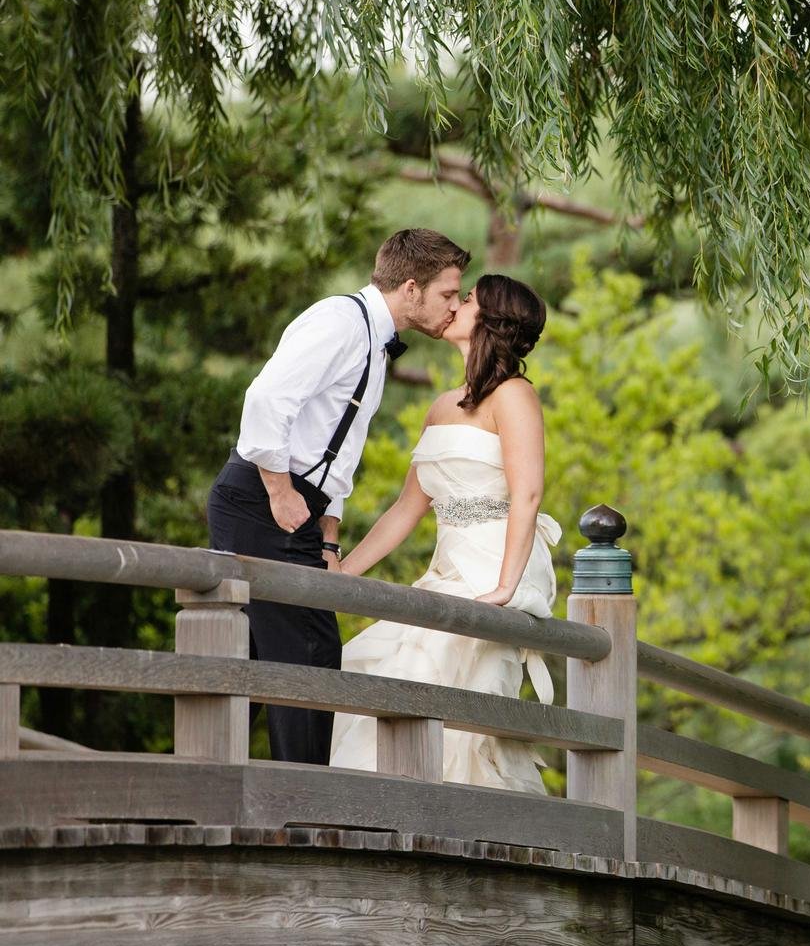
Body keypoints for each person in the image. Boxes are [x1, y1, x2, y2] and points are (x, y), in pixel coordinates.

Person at [206, 228, 471, 764]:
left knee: (258, 657)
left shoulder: (374, 341)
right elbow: (265, 400)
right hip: (263, 499)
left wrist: (329, 540)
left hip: (295, 507)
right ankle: (302, 818)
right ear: (412, 289)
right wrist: (279, 492)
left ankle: (214, 798)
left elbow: (338, 454)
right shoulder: (340, 322)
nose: (453, 307)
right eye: (448, 294)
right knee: (308, 653)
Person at [328, 273, 559, 793]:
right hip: (450, 568)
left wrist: (504, 585)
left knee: (440, 669)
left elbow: (528, 494)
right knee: (385, 662)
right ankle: (383, 802)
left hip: (501, 561)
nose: (455, 305)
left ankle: (450, 808)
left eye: (468, 299)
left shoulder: (515, 395)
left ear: (492, 320)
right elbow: (406, 511)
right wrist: (343, 574)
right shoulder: (441, 407)